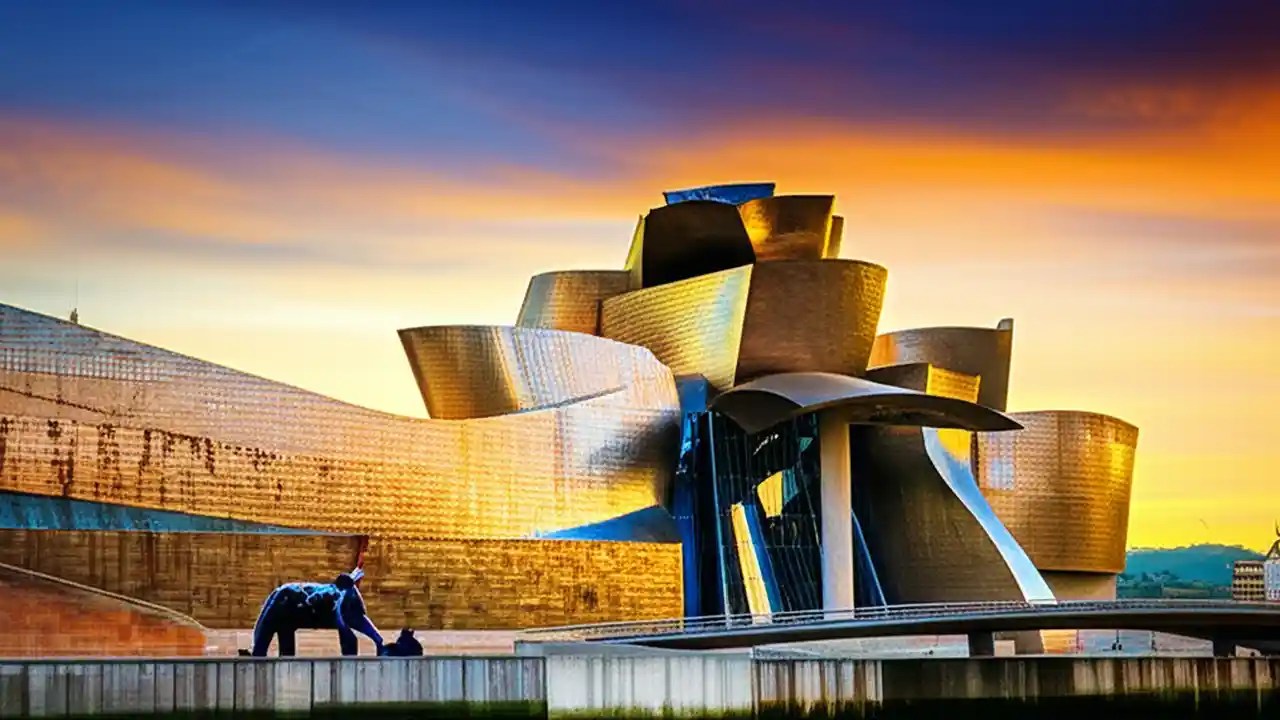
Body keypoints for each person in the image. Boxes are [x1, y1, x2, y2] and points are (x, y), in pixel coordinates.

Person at [249, 568, 383, 657]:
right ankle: (259, 654)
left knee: (281, 638)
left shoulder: (345, 600)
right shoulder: (333, 598)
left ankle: (260, 653)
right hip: (288, 602)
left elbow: (356, 622)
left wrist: (378, 641)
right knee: (279, 633)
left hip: (294, 603)